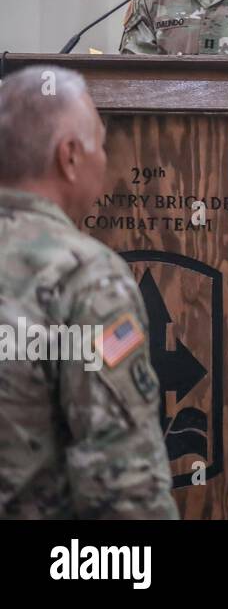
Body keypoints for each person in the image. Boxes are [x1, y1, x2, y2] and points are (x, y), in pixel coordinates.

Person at [0, 65, 178, 519]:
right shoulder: (87, 279)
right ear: (71, 156)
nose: (107, 159)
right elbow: (123, 486)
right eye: (102, 143)